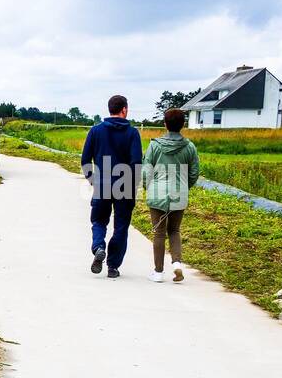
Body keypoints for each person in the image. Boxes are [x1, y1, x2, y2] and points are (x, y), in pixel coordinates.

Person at [80, 95, 143, 278]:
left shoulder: (95, 131)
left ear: (110, 109)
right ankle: (113, 266)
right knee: (121, 226)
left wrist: (92, 179)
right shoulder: (132, 133)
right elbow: (136, 163)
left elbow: (85, 160)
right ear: (124, 109)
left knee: (99, 220)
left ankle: (99, 246)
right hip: (125, 185)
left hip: (102, 183)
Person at [141, 108, 199, 283]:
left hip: (157, 193)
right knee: (174, 231)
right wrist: (184, 186)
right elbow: (194, 172)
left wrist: (147, 187)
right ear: (183, 124)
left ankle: (158, 273)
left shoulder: (155, 145)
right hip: (178, 193)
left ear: (165, 124)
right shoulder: (189, 147)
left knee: (159, 233)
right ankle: (177, 264)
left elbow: (146, 171)